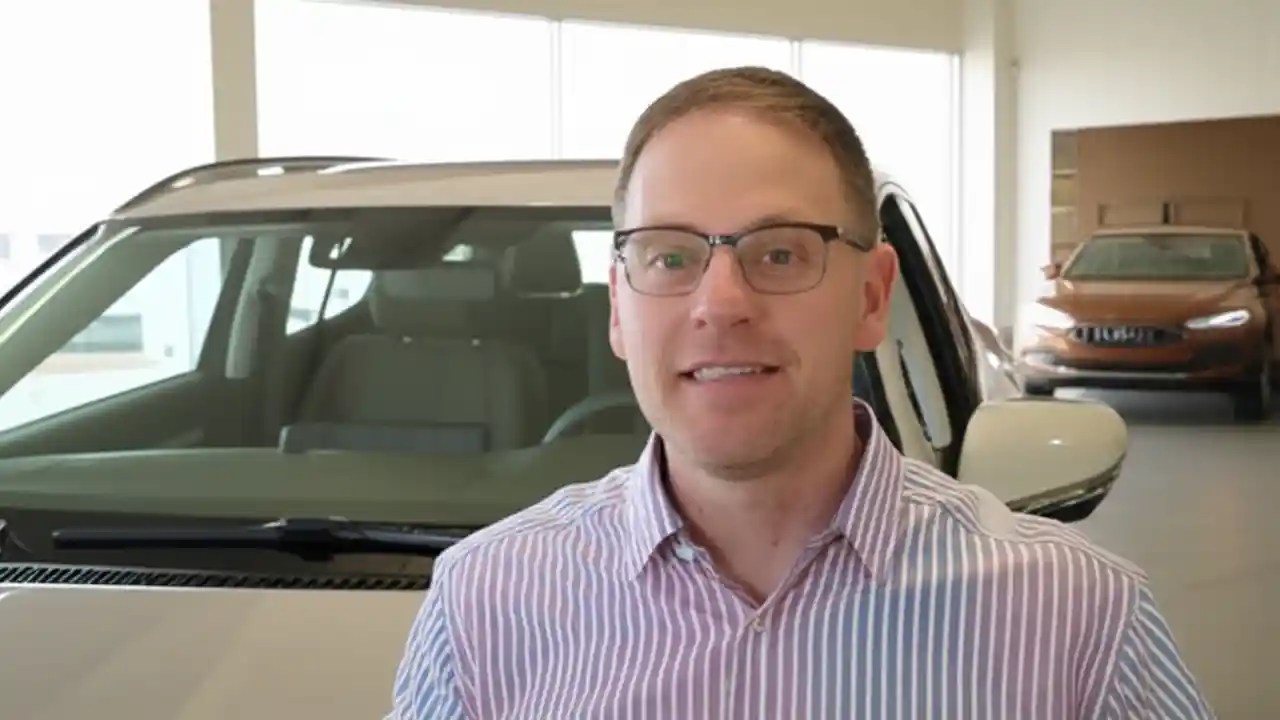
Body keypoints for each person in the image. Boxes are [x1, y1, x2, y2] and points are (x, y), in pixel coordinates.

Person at [388, 66, 1213, 719]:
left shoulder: (1080, 622)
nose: (720, 304)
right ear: (619, 306)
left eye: (780, 253)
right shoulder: (483, 609)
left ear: (869, 298)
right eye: (670, 256)